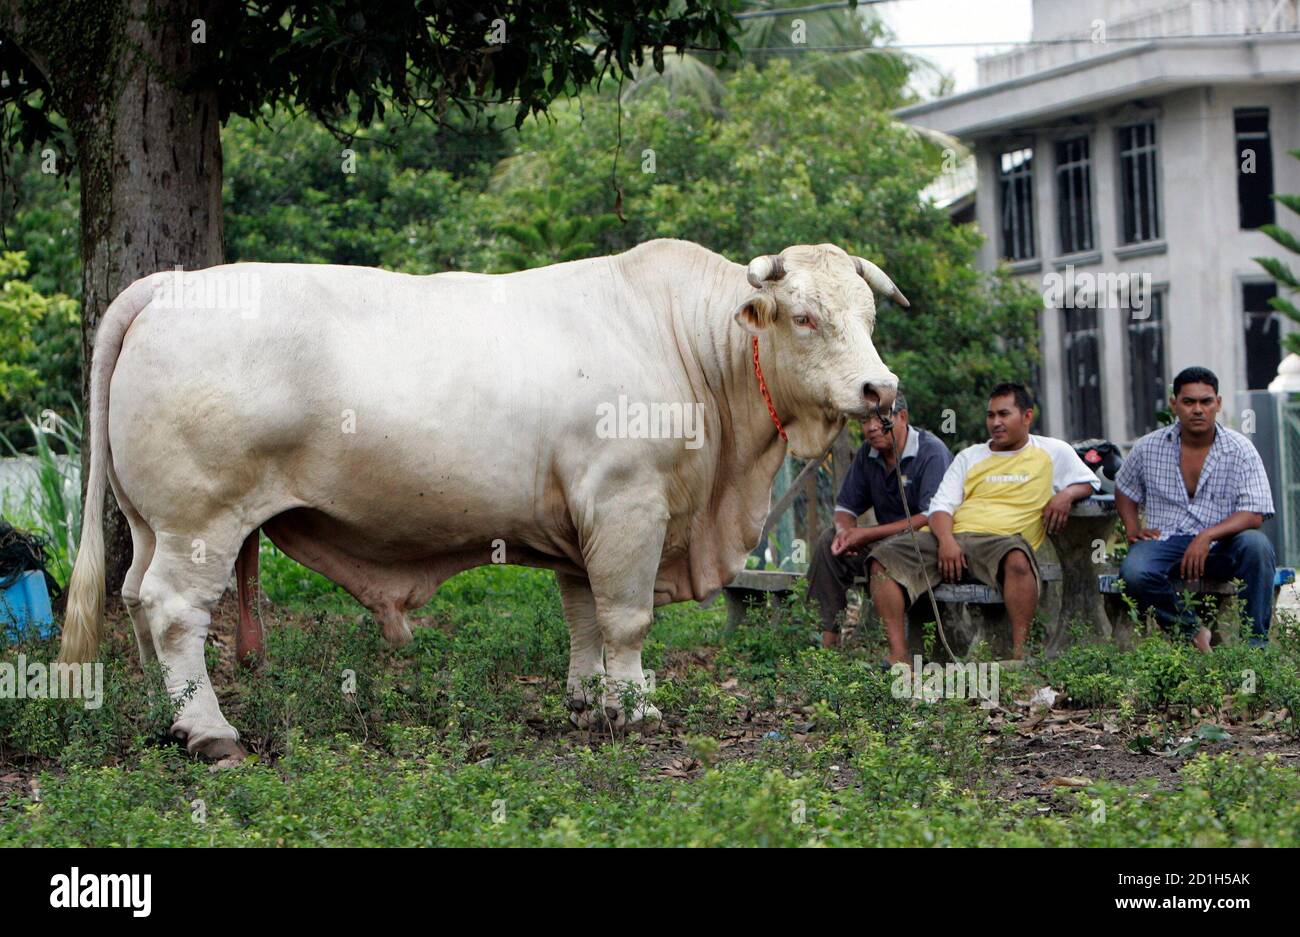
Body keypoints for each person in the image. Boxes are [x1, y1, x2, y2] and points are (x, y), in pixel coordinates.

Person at [868, 383, 1099, 662]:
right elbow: (940, 508)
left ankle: (1018, 656)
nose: (996, 422)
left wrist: (1066, 494)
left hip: (1001, 542)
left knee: (1017, 559)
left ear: (1027, 416)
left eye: (1004, 414)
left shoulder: (1053, 451)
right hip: (950, 537)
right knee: (883, 559)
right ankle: (900, 658)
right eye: (991, 415)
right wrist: (947, 541)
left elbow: (1089, 482)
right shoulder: (970, 456)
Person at [1115, 366, 1276, 650]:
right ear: (1174, 404)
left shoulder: (1240, 449)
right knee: (1135, 572)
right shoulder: (1148, 448)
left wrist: (1207, 536)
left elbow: (1254, 513)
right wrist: (1132, 528)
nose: (1198, 409)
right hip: (1166, 541)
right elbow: (1125, 488)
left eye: (1206, 401)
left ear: (1218, 403)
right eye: (1189, 402)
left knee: (1257, 547)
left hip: (1222, 546)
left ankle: (1255, 649)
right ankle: (1191, 630)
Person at [807, 392, 952, 649]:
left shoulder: (932, 452)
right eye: (864, 420)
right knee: (829, 543)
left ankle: (899, 653)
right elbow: (845, 507)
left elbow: (930, 517)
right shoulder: (868, 455)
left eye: (880, 418)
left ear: (902, 417)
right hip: (884, 545)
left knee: (884, 556)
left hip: (924, 547)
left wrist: (865, 535)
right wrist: (846, 532)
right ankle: (823, 643)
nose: (871, 427)